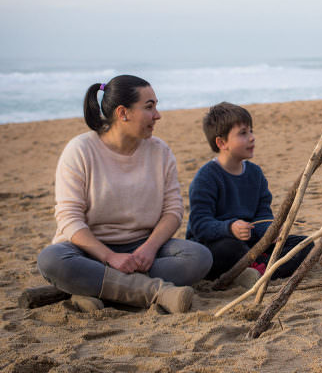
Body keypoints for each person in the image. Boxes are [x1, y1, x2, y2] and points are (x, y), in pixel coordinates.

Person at [37, 75, 213, 313]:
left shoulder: (160, 152)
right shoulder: (80, 150)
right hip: (89, 250)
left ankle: (95, 290)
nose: (157, 115)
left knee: (199, 257)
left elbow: (172, 211)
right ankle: (155, 292)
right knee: (51, 259)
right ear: (123, 113)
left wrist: (150, 248)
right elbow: (69, 219)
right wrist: (110, 257)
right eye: (149, 107)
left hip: (141, 248)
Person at [186, 102, 312, 288]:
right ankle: (259, 269)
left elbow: (263, 214)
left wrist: (271, 231)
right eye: (243, 133)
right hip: (217, 245)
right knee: (230, 248)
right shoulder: (206, 177)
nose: (252, 138)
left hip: (253, 244)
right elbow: (199, 225)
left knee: (305, 244)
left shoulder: (255, 173)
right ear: (222, 143)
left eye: (251, 131)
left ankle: (257, 270)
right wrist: (229, 228)